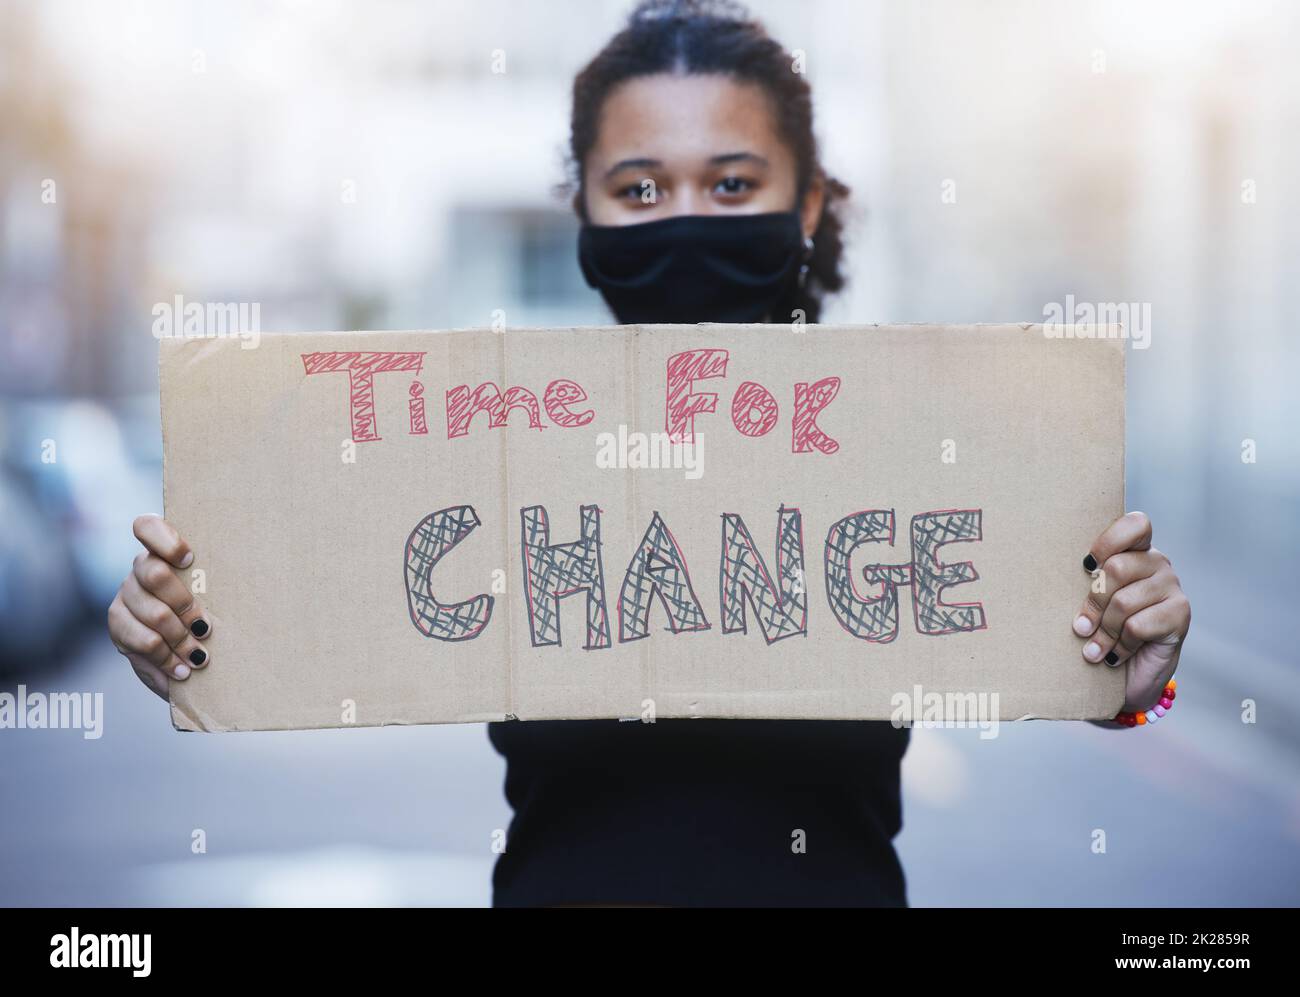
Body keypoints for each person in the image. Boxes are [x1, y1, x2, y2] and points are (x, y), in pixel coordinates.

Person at [107, 0, 1192, 907]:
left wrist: (1139, 683)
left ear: (806, 202)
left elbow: (1086, 672)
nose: (683, 220)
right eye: (637, 189)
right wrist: (196, 639)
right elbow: (312, 611)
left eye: (730, 185)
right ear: (579, 209)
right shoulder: (491, 450)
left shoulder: (915, 444)